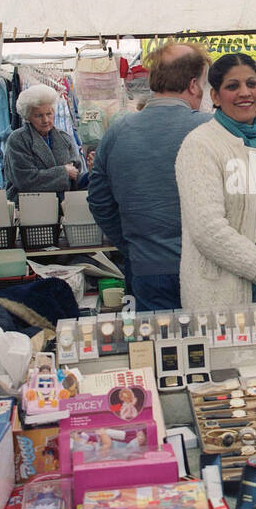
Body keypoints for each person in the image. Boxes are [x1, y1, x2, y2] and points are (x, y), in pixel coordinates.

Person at [175, 53, 256, 311]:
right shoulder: (200, 145)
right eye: (232, 86)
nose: (245, 92)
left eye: (251, 84)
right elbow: (209, 230)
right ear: (215, 96)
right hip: (225, 295)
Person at [86, 43, 212, 310]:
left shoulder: (116, 132)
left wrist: (132, 244)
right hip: (206, 267)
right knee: (208, 346)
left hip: (146, 267)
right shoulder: (210, 129)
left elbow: (99, 201)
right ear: (193, 85)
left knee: (157, 347)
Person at [2, 83, 83, 199]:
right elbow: (25, 179)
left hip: (62, 206)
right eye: (38, 115)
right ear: (28, 116)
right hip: (30, 207)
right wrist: (64, 172)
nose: (45, 120)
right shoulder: (18, 139)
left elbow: (76, 172)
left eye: (49, 114)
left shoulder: (64, 137)